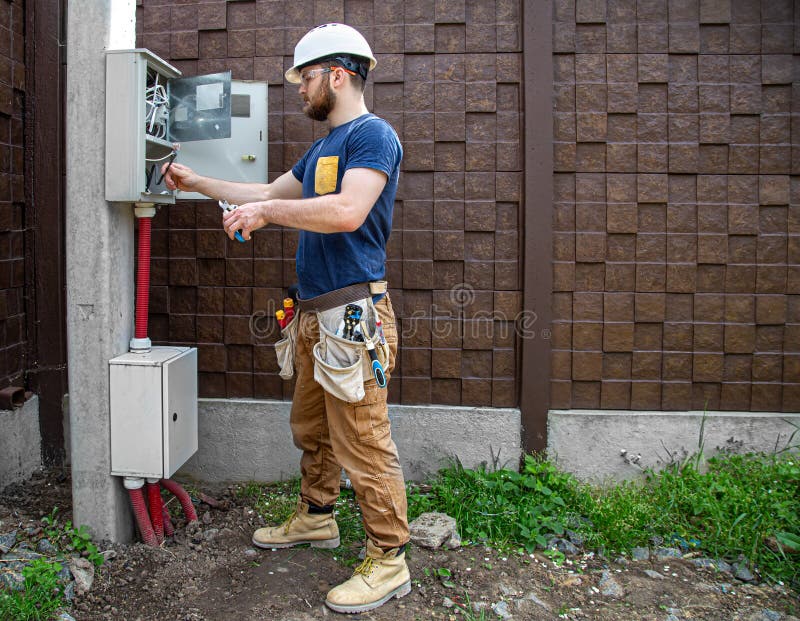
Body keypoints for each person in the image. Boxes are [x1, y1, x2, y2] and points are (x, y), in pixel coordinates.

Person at [162, 23, 410, 614]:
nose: (299, 90)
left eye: (306, 78)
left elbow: (349, 211)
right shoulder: (323, 146)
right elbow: (265, 188)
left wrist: (267, 212)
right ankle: (318, 517)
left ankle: (389, 559)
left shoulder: (373, 137)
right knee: (313, 428)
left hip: (354, 314)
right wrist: (198, 183)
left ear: (339, 74)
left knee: (364, 441)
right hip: (313, 314)